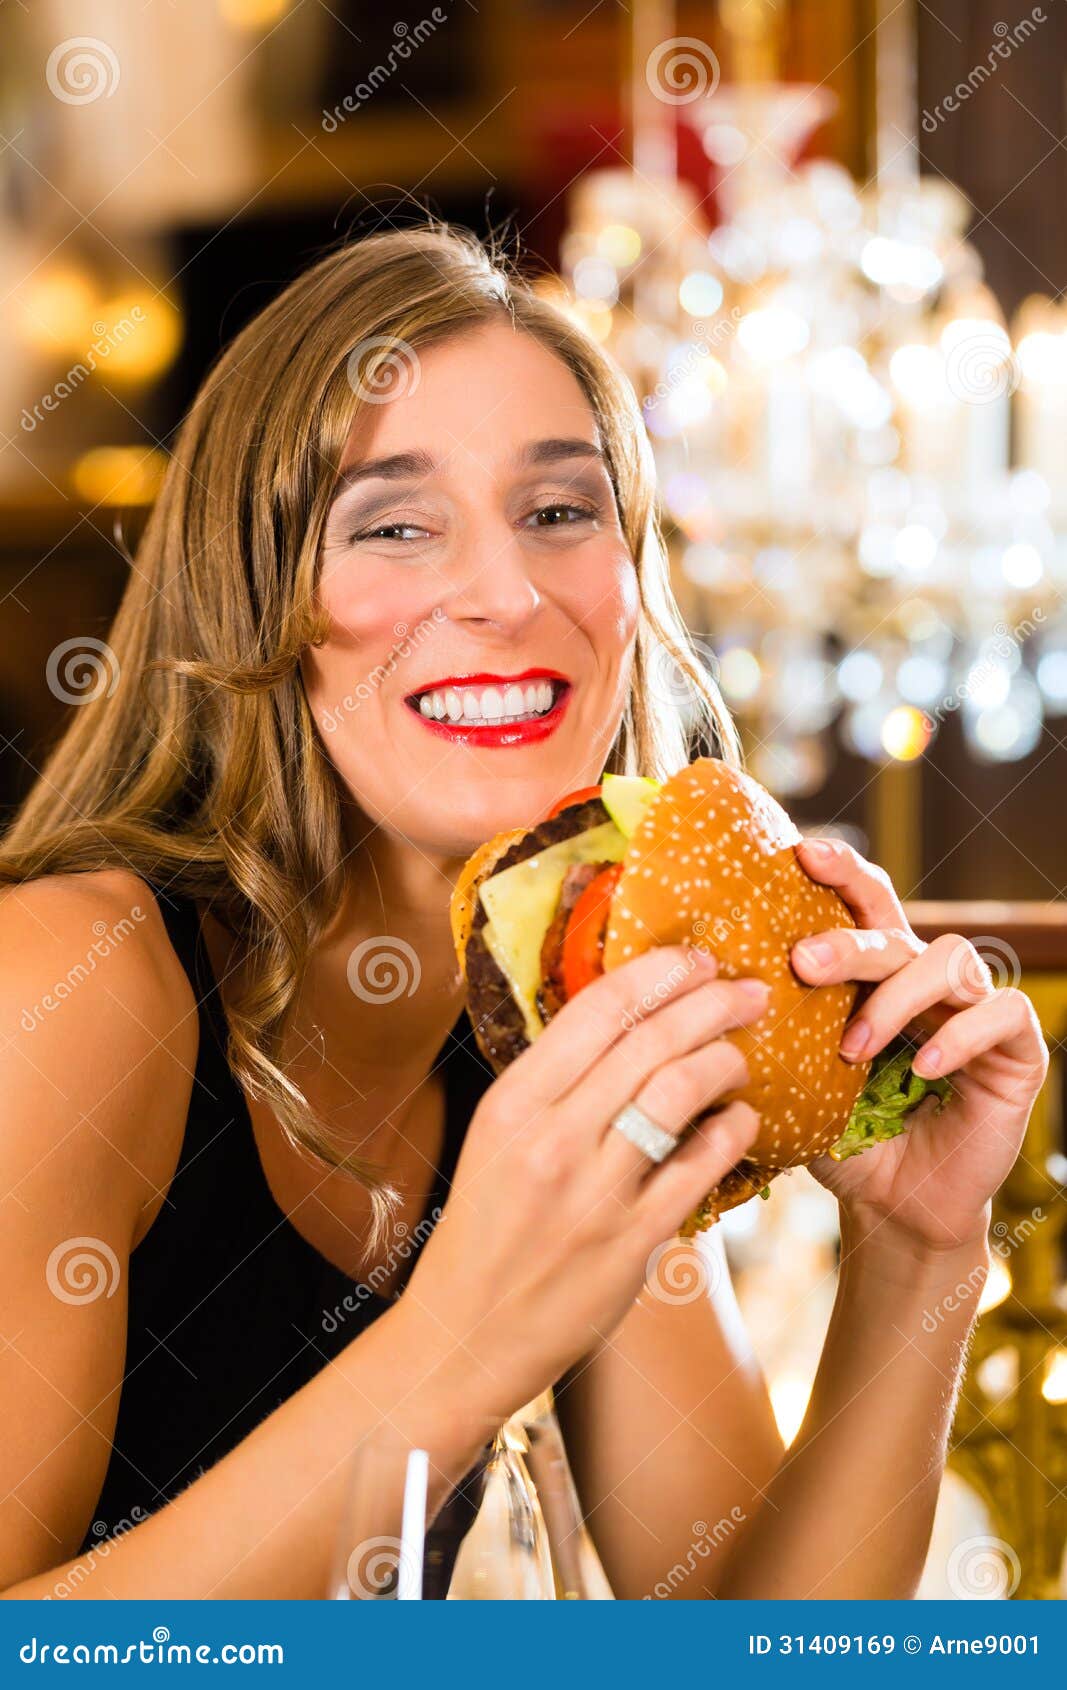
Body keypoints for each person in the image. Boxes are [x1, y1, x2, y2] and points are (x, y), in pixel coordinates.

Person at [0, 224, 1047, 1600]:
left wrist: (918, 1255)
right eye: (392, 523)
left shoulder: (569, 1018)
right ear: (250, 592)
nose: (507, 594)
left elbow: (743, 1648)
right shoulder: (71, 983)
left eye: (562, 512)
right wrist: (459, 1340)